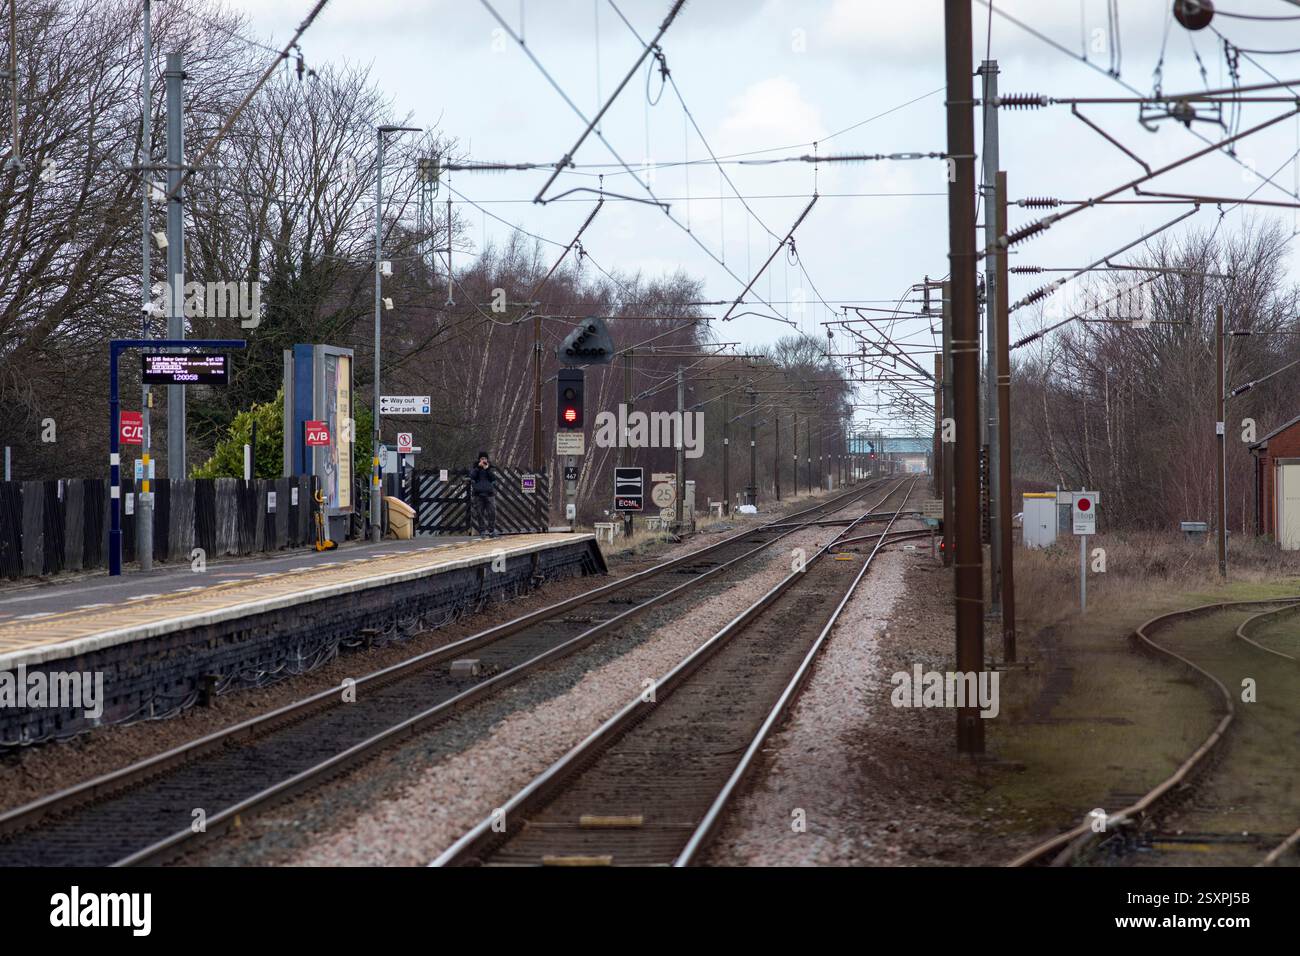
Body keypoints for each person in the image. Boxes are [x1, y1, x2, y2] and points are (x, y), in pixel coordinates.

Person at [468, 451, 498, 537]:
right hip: (478, 494)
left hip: (489, 494)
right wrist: (478, 468)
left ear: (487, 459)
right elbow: (471, 476)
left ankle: (491, 531)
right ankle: (482, 531)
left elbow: (493, 478)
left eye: (485, 458)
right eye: (482, 458)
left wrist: (487, 469)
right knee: (479, 513)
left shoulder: (490, 468)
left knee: (492, 512)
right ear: (479, 460)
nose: (483, 460)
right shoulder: (475, 468)